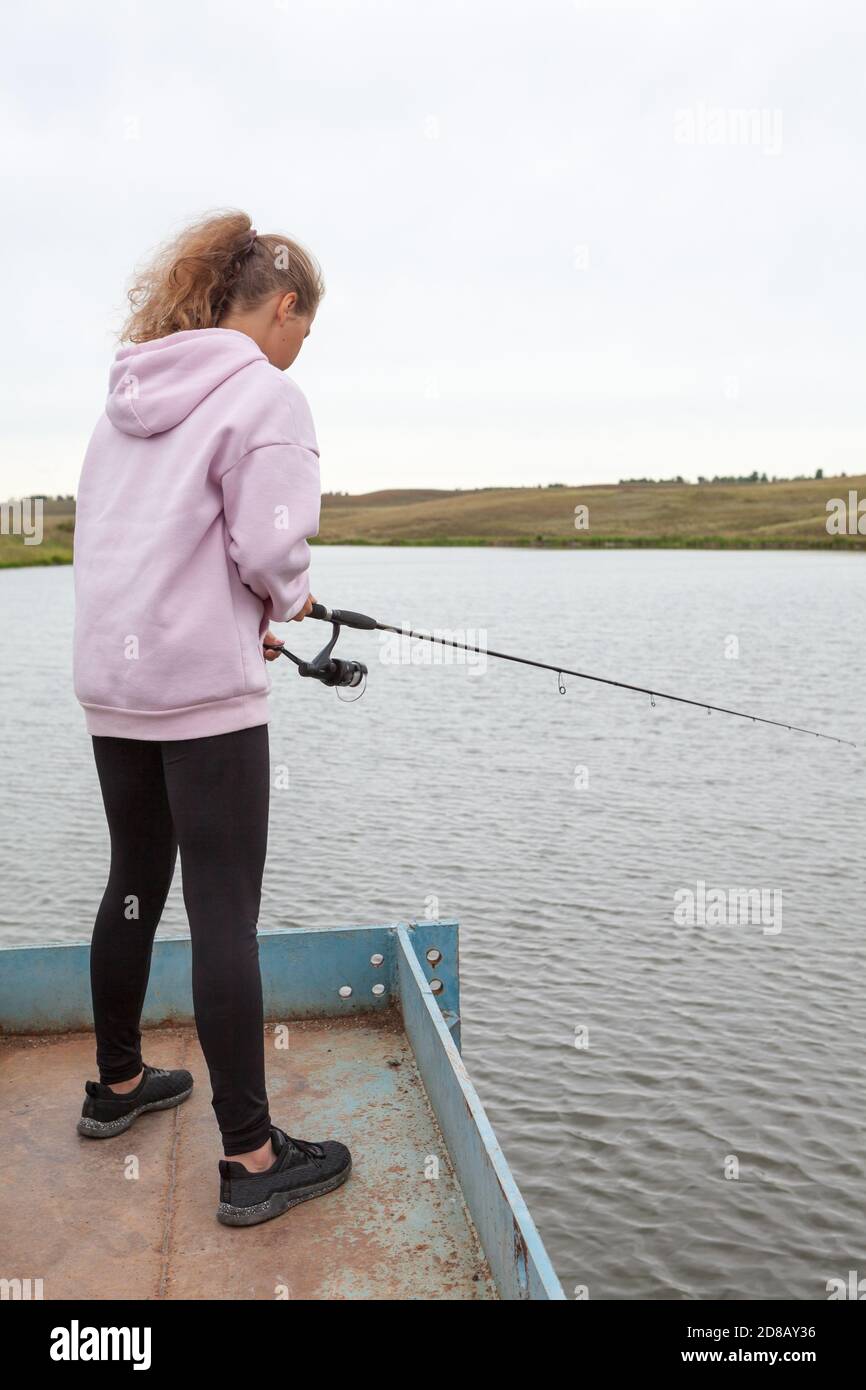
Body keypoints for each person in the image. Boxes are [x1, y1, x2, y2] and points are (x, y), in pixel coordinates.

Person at [72, 209, 351, 1226]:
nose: (295, 349)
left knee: (134, 882)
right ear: (282, 307)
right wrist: (279, 608)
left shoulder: (127, 397)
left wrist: (250, 614)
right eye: (302, 329)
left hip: (117, 685)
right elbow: (271, 552)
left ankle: (114, 1086)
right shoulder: (264, 394)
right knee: (222, 909)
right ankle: (250, 1154)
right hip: (202, 698)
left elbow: (140, 546)